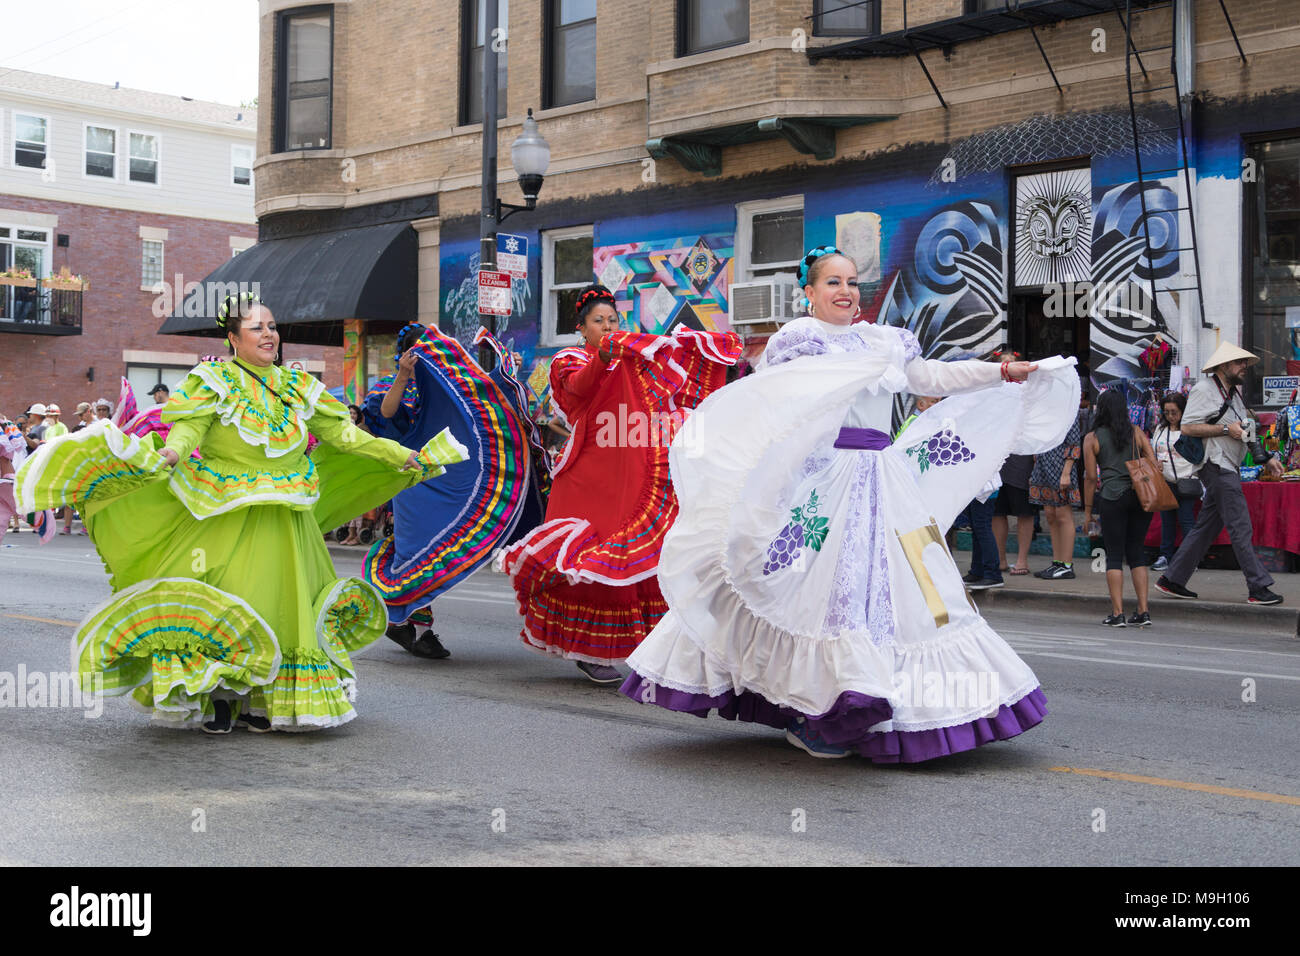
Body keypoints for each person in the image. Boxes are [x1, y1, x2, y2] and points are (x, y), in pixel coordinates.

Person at [619, 246, 1080, 761]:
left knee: (911, 594)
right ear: (809, 293)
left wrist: (1001, 373)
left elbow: (929, 378)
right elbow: (777, 412)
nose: (846, 291)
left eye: (853, 282)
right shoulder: (799, 341)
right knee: (812, 593)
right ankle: (822, 710)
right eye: (833, 282)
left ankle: (879, 706)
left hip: (885, 481)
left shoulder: (884, 340)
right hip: (823, 481)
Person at [14, 294, 468, 732]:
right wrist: (169, 456)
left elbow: (345, 437)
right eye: (257, 328)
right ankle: (221, 696)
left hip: (287, 518)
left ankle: (263, 698)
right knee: (230, 602)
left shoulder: (297, 387)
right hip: (225, 512)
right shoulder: (213, 382)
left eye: (272, 326)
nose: (269, 334)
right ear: (233, 338)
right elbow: (188, 430)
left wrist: (399, 455)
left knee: (280, 604)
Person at [500, 283, 741, 684]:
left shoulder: (632, 357)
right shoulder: (568, 359)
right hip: (592, 471)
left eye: (613, 320)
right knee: (597, 554)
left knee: (641, 552)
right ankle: (590, 648)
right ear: (582, 328)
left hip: (631, 465)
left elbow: (668, 381)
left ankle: (646, 648)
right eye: (599, 321)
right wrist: (607, 358)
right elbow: (578, 390)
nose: (608, 326)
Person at [364, 321, 543, 661]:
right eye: (418, 349)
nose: (427, 356)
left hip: (451, 477)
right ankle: (415, 626)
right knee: (416, 553)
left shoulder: (454, 385)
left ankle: (409, 624)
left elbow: (488, 405)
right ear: (405, 353)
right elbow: (385, 414)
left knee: (447, 546)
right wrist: (404, 375)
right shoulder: (393, 383)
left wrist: (506, 374)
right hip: (412, 480)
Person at [1156, 343, 1285, 605]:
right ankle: (1257, 586)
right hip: (1215, 465)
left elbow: (1245, 429)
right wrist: (1227, 432)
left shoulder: (1233, 396)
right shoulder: (1204, 389)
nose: (1244, 367)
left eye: (1244, 363)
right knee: (1240, 526)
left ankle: (1172, 580)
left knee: (1205, 528)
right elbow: (1189, 428)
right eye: (1239, 363)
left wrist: (1267, 458)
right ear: (1225, 365)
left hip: (1227, 464)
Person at [1080, 389, 1156, 626]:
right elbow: (1153, 462)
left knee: (1113, 555)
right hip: (1140, 497)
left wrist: (1089, 511)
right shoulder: (1136, 432)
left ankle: (1117, 613)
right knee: (1137, 552)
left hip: (1112, 497)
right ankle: (1143, 611)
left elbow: (1091, 478)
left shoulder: (1092, 438)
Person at [1028, 409, 1082, 579]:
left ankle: (1066, 564)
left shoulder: (1068, 410)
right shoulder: (1043, 410)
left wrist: (1066, 472)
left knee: (1063, 515)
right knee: (1050, 515)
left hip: (1061, 466)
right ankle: (1057, 562)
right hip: (1044, 465)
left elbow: (1074, 444)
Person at [1150, 392, 1198, 572]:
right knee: (1167, 521)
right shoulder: (1160, 429)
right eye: (1167, 412)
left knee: (1186, 520)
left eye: (1174, 412)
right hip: (1165, 481)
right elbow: (1154, 451)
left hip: (1187, 479)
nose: (1170, 416)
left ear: (1183, 411)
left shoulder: (1190, 429)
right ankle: (1165, 556)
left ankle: (1189, 558)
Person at [993, 452, 1036, 575]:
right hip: (997, 461)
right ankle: (1000, 560)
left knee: (1024, 512)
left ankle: (1022, 561)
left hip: (1023, 459)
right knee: (997, 513)